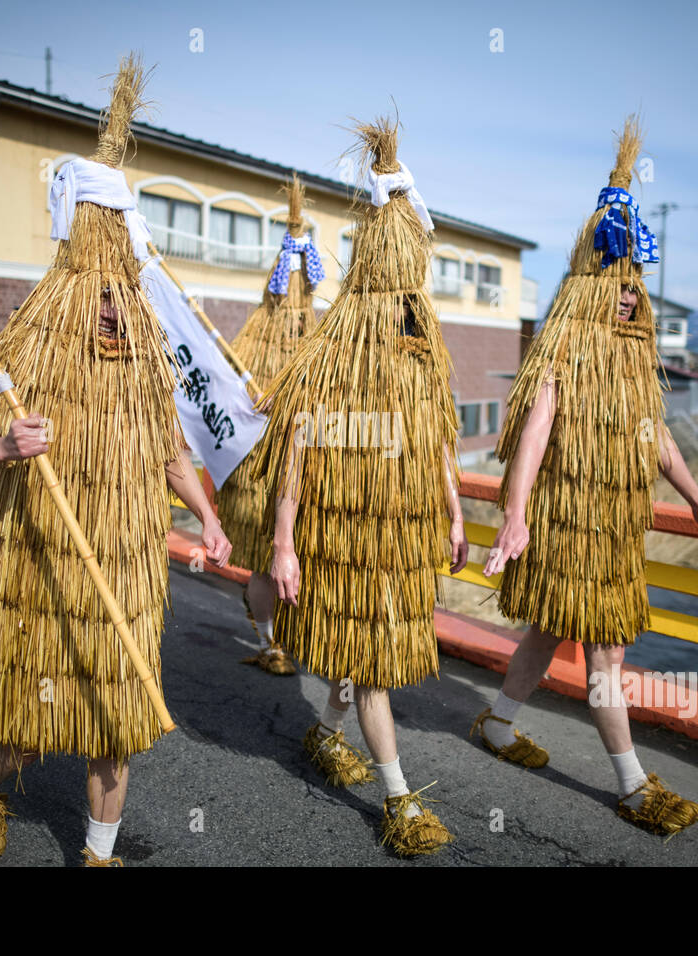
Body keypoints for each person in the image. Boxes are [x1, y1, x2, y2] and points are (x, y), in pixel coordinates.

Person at [0, 56, 231, 867]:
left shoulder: (146, 360)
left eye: (118, 292)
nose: (110, 306)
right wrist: (1, 445)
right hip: (43, 572)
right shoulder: (24, 349)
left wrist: (207, 516)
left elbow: (172, 455)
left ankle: (100, 854)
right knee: (23, 730)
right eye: (99, 294)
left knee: (115, 725)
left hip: (126, 574)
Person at [474, 117, 698, 839]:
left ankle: (496, 722)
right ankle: (632, 785)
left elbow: (658, 440)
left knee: (547, 631)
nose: (628, 296)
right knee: (606, 650)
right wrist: (515, 515)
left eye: (635, 285)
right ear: (590, 285)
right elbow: (533, 434)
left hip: (616, 530)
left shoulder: (633, 362)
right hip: (567, 526)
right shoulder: (563, 353)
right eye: (617, 283)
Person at [257, 118, 468, 857]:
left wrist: (452, 512)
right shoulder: (330, 353)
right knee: (375, 664)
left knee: (362, 649)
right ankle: (400, 799)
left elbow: (439, 437)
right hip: (342, 539)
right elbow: (296, 458)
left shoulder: (424, 353)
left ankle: (324, 731)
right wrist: (283, 542)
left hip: (400, 540)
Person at [213, 174, 320, 677]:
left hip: (308, 474)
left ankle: (283, 630)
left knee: (296, 558)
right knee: (263, 559)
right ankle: (268, 639)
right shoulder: (252, 344)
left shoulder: (319, 342)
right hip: (260, 474)